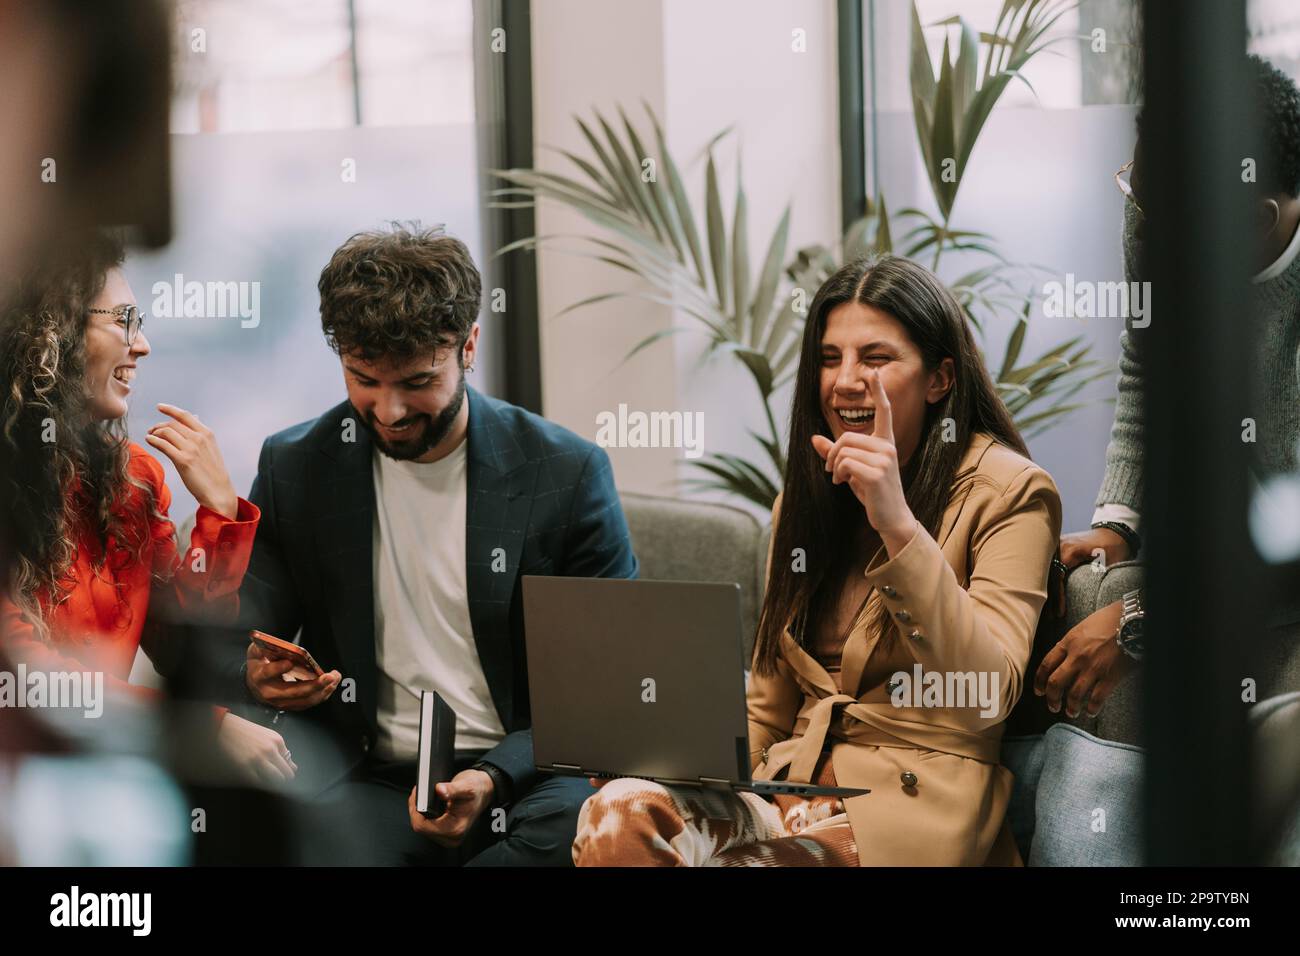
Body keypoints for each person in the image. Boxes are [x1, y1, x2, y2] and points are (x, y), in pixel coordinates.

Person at [572, 254, 1061, 866]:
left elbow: (987, 692)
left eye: (875, 359)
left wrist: (897, 523)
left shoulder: (1011, 492)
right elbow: (768, 708)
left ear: (940, 379)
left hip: (906, 810)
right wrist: (675, 766)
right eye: (830, 359)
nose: (845, 380)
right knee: (617, 809)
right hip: (787, 788)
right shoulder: (802, 504)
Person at [227, 223, 638, 865]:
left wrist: (494, 776)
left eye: (416, 381)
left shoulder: (565, 471)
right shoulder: (296, 467)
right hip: (366, 775)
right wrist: (259, 677)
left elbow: (608, 681)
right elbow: (242, 641)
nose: (389, 411)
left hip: (529, 773)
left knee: (578, 835)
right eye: (364, 378)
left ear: (468, 345)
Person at [1038, 54, 1300, 719]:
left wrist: (1142, 619)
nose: (1144, 229)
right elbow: (1146, 361)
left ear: (1258, 222)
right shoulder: (1164, 205)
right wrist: (1117, 523)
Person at [0, 229, 292, 782]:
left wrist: (219, 512)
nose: (142, 345)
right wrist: (204, 726)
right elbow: (29, 681)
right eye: (124, 321)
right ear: (49, 334)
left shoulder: (135, 476)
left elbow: (177, 645)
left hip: (113, 764)